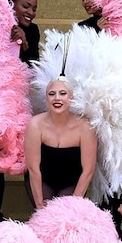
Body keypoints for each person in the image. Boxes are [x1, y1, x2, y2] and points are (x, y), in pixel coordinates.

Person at [23, 78, 97, 209]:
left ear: (71, 98)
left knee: (64, 217)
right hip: (42, 180)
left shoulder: (85, 127)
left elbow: (88, 171)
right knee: (44, 218)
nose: (57, 98)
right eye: (52, 94)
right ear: (46, 98)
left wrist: (74, 203)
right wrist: (39, 204)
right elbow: (33, 169)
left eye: (63, 93)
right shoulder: (35, 124)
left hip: (71, 183)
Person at [8, 0, 40, 64]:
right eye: (25, 6)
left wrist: (24, 43)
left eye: (34, 9)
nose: (31, 12)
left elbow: (34, 66)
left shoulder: (33, 30)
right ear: (10, 4)